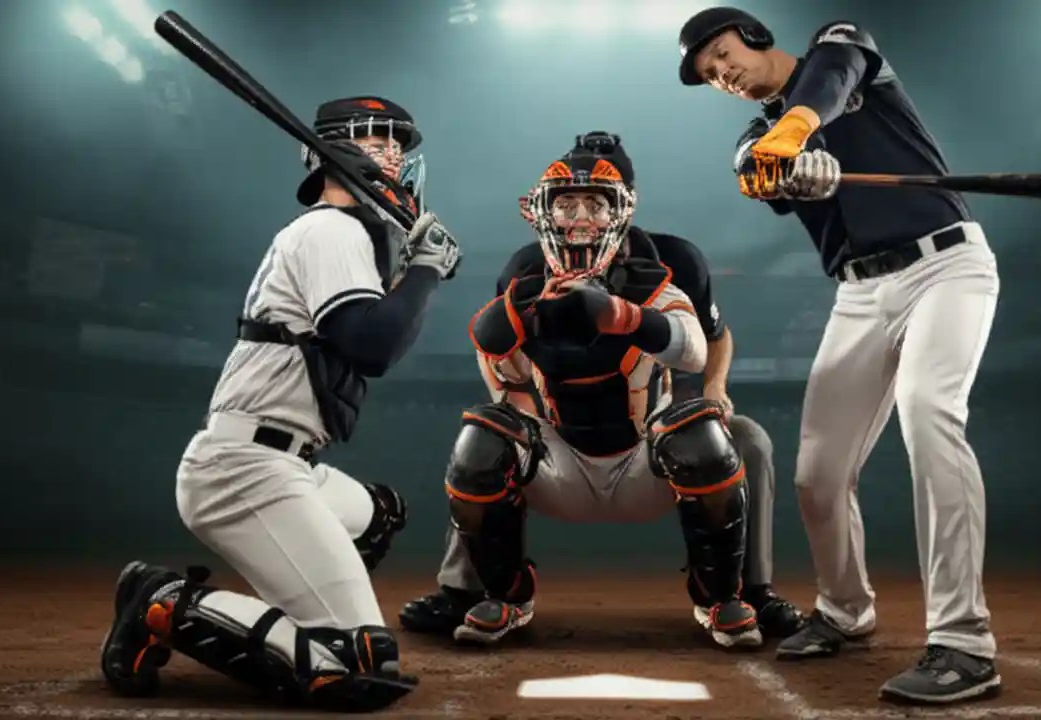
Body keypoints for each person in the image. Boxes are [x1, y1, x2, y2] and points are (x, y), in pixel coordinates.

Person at [678, 7, 1003, 705]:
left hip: (945, 267)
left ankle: (965, 642)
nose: (722, 74)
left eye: (723, 55)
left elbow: (833, 74)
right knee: (817, 475)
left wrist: (799, 128)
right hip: (858, 294)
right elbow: (753, 172)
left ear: (755, 36)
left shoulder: (840, 46)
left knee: (929, 418)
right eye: (709, 75)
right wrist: (789, 171)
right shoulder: (756, 137)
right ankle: (846, 611)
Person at [99, 96, 462, 713]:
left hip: (289, 464)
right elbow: (372, 345)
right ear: (332, 153)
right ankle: (157, 601)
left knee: (377, 515)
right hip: (245, 470)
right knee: (358, 669)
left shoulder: (350, 237)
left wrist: (409, 271)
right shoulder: (330, 229)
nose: (395, 155)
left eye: (399, 144)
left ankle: (310, 607)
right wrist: (425, 270)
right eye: (376, 142)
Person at [398, 132, 803, 640]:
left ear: (624, 205)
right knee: (483, 436)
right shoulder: (524, 275)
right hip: (561, 449)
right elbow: (496, 361)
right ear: (544, 208)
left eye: (597, 200)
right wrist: (520, 409)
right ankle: (479, 591)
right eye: (568, 202)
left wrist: (631, 322)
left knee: (725, 436)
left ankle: (739, 593)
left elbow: (700, 346)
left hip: (644, 446)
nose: (582, 218)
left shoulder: (665, 269)